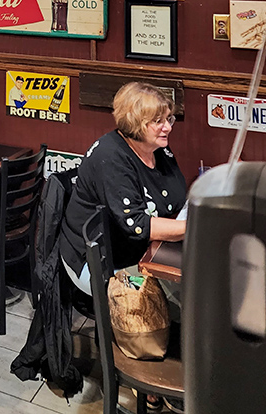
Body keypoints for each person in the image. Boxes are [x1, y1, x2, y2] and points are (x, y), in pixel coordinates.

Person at [60, 82, 186, 296]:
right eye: (158, 121)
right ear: (135, 123)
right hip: (97, 261)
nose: (168, 127)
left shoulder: (156, 148)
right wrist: (193, 228)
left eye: (168, 119)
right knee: (170, 296)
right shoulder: (110, 158)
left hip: (137, 250)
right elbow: (137, 225)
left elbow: (176, 196)